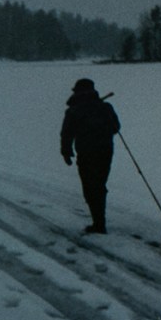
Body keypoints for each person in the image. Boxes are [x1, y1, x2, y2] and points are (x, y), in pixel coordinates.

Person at [59, 78, 120, 234]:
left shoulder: (73, 111)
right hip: (106, 151)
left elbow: (67, 134)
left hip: (87, 153)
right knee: (99, 184)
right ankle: (99, 221)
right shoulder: (105, 107)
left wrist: (66, 152)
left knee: (90, 187)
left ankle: (99, 224)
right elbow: (115, 128)